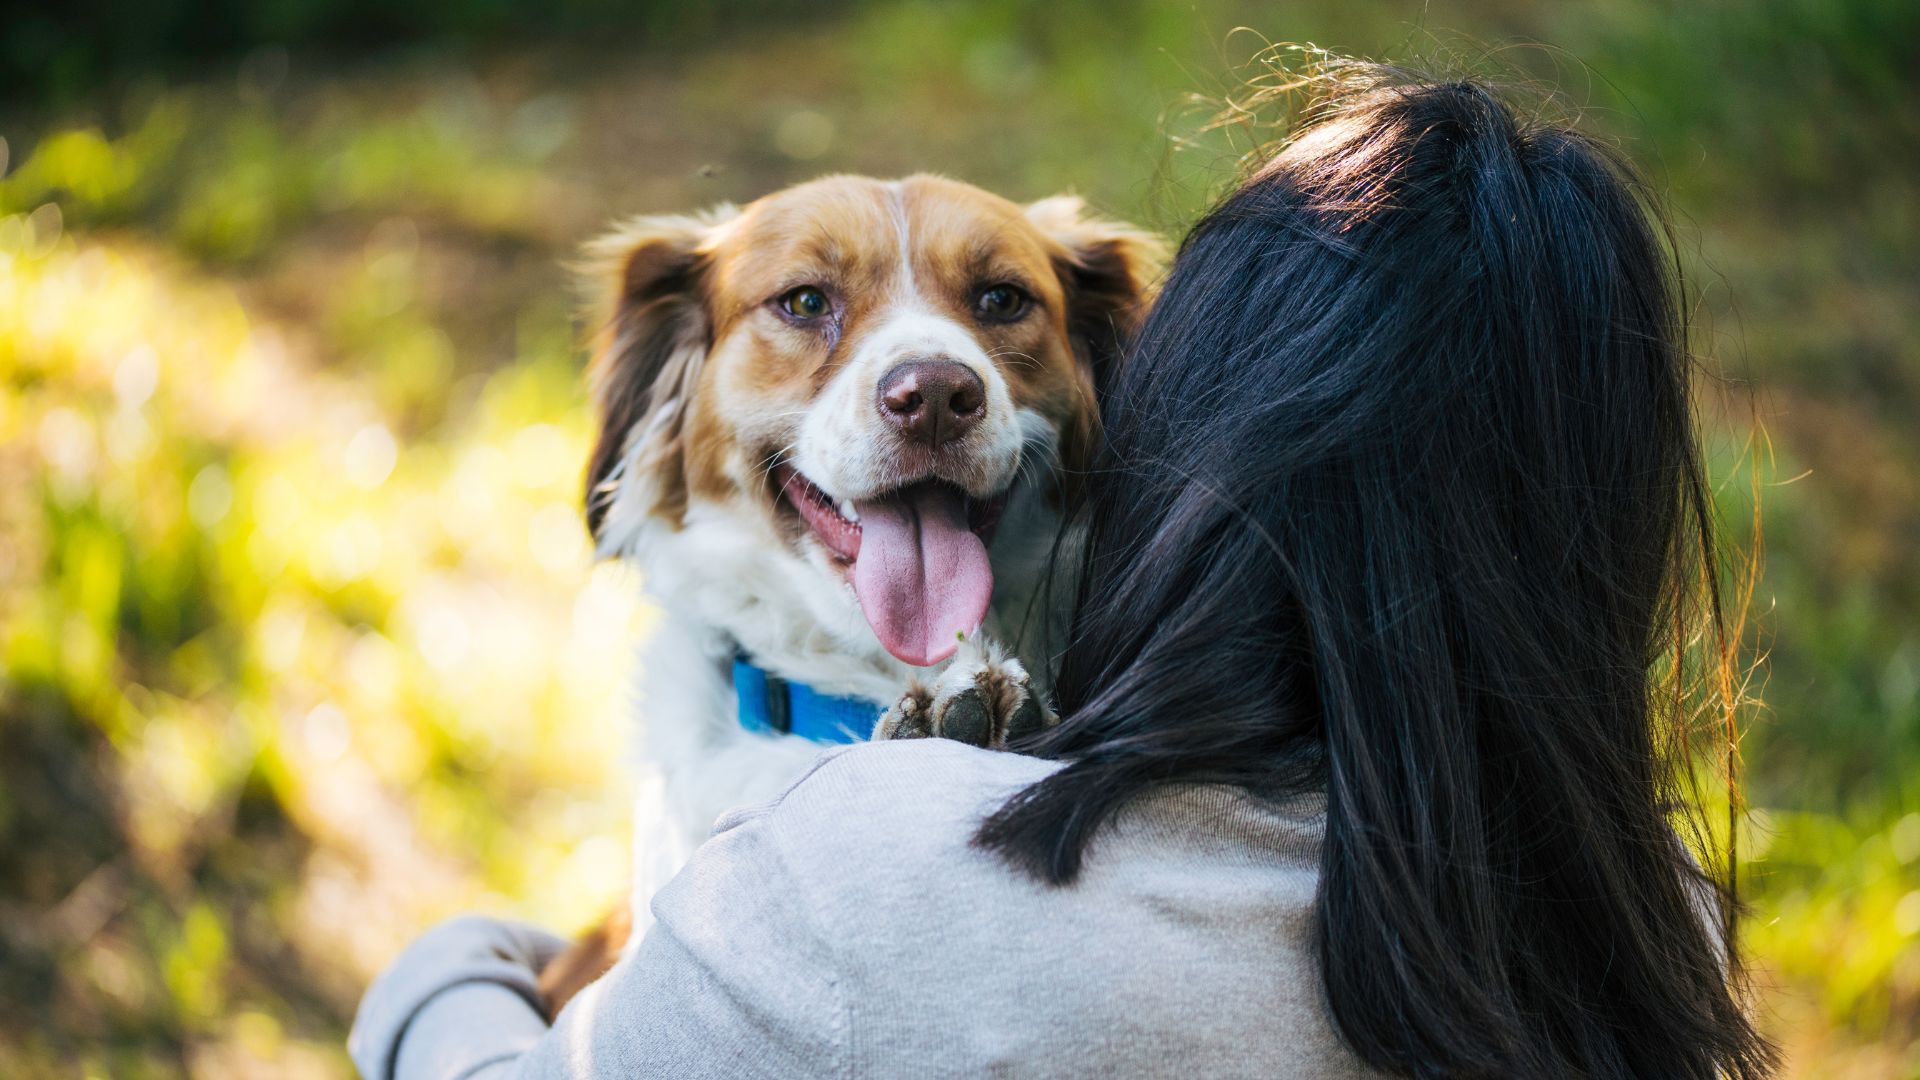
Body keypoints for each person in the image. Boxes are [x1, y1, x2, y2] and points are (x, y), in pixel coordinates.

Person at [350, 67, 1775, 1080]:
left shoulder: (866, 885)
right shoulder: (1656, 916)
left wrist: (447, 970)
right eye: (807, 305)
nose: (929, 374)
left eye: (998, 305)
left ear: (1152, 407)